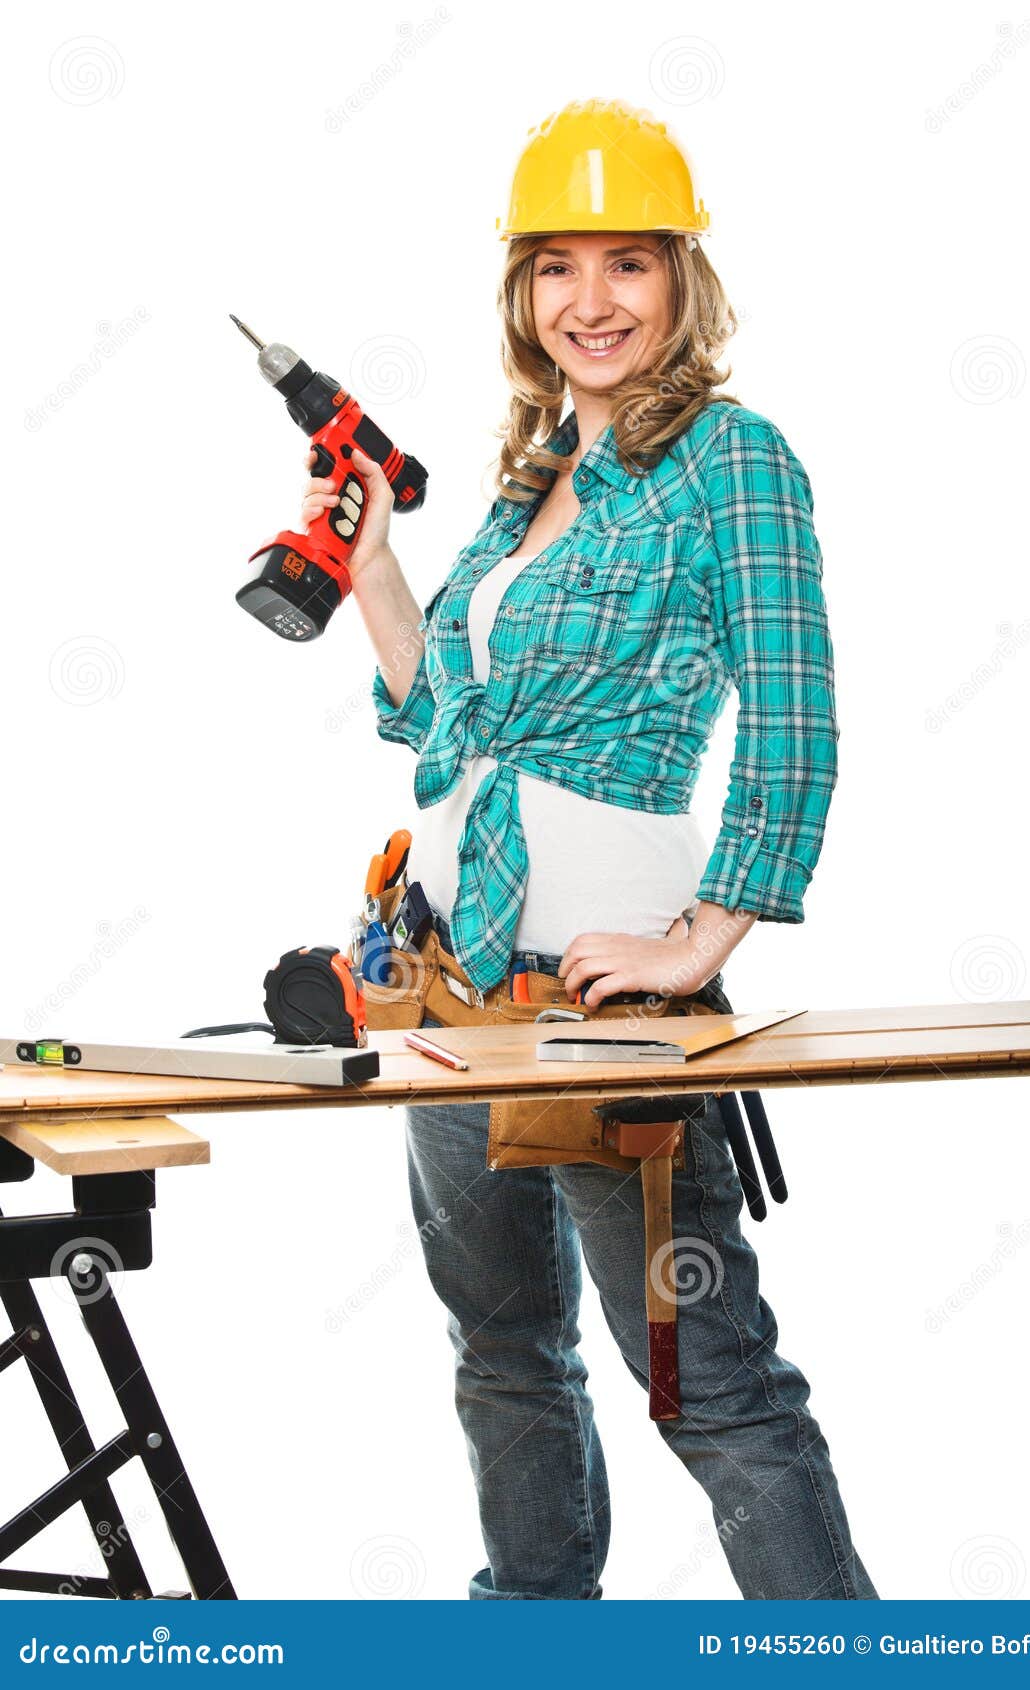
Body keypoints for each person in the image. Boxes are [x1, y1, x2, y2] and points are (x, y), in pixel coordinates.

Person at [301, 98, 877, 1601]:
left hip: (604, 998)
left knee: (710, 1382)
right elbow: (454, 729)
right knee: (504, 1355)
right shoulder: (525, 475)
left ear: (685, 279)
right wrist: (375, 578)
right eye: (559, 266)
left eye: (631, 261)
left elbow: (796, 716)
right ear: (522, 293)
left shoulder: (732, 464)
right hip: (449, 986)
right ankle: (537, 1639)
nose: (593, 301)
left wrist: (702, 940)